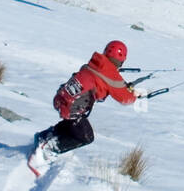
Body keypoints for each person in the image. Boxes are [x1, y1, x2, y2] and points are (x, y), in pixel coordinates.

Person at [27, 40, 137, 177]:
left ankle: (44, 137)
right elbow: (126, 99)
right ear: (122, 60)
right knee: (85, 136)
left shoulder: (94, 63)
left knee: (72, 125)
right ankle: (46, 150)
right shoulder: (112, 75)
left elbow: (99, 80)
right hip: (73, 107)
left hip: (62, 99)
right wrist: (134, 94)